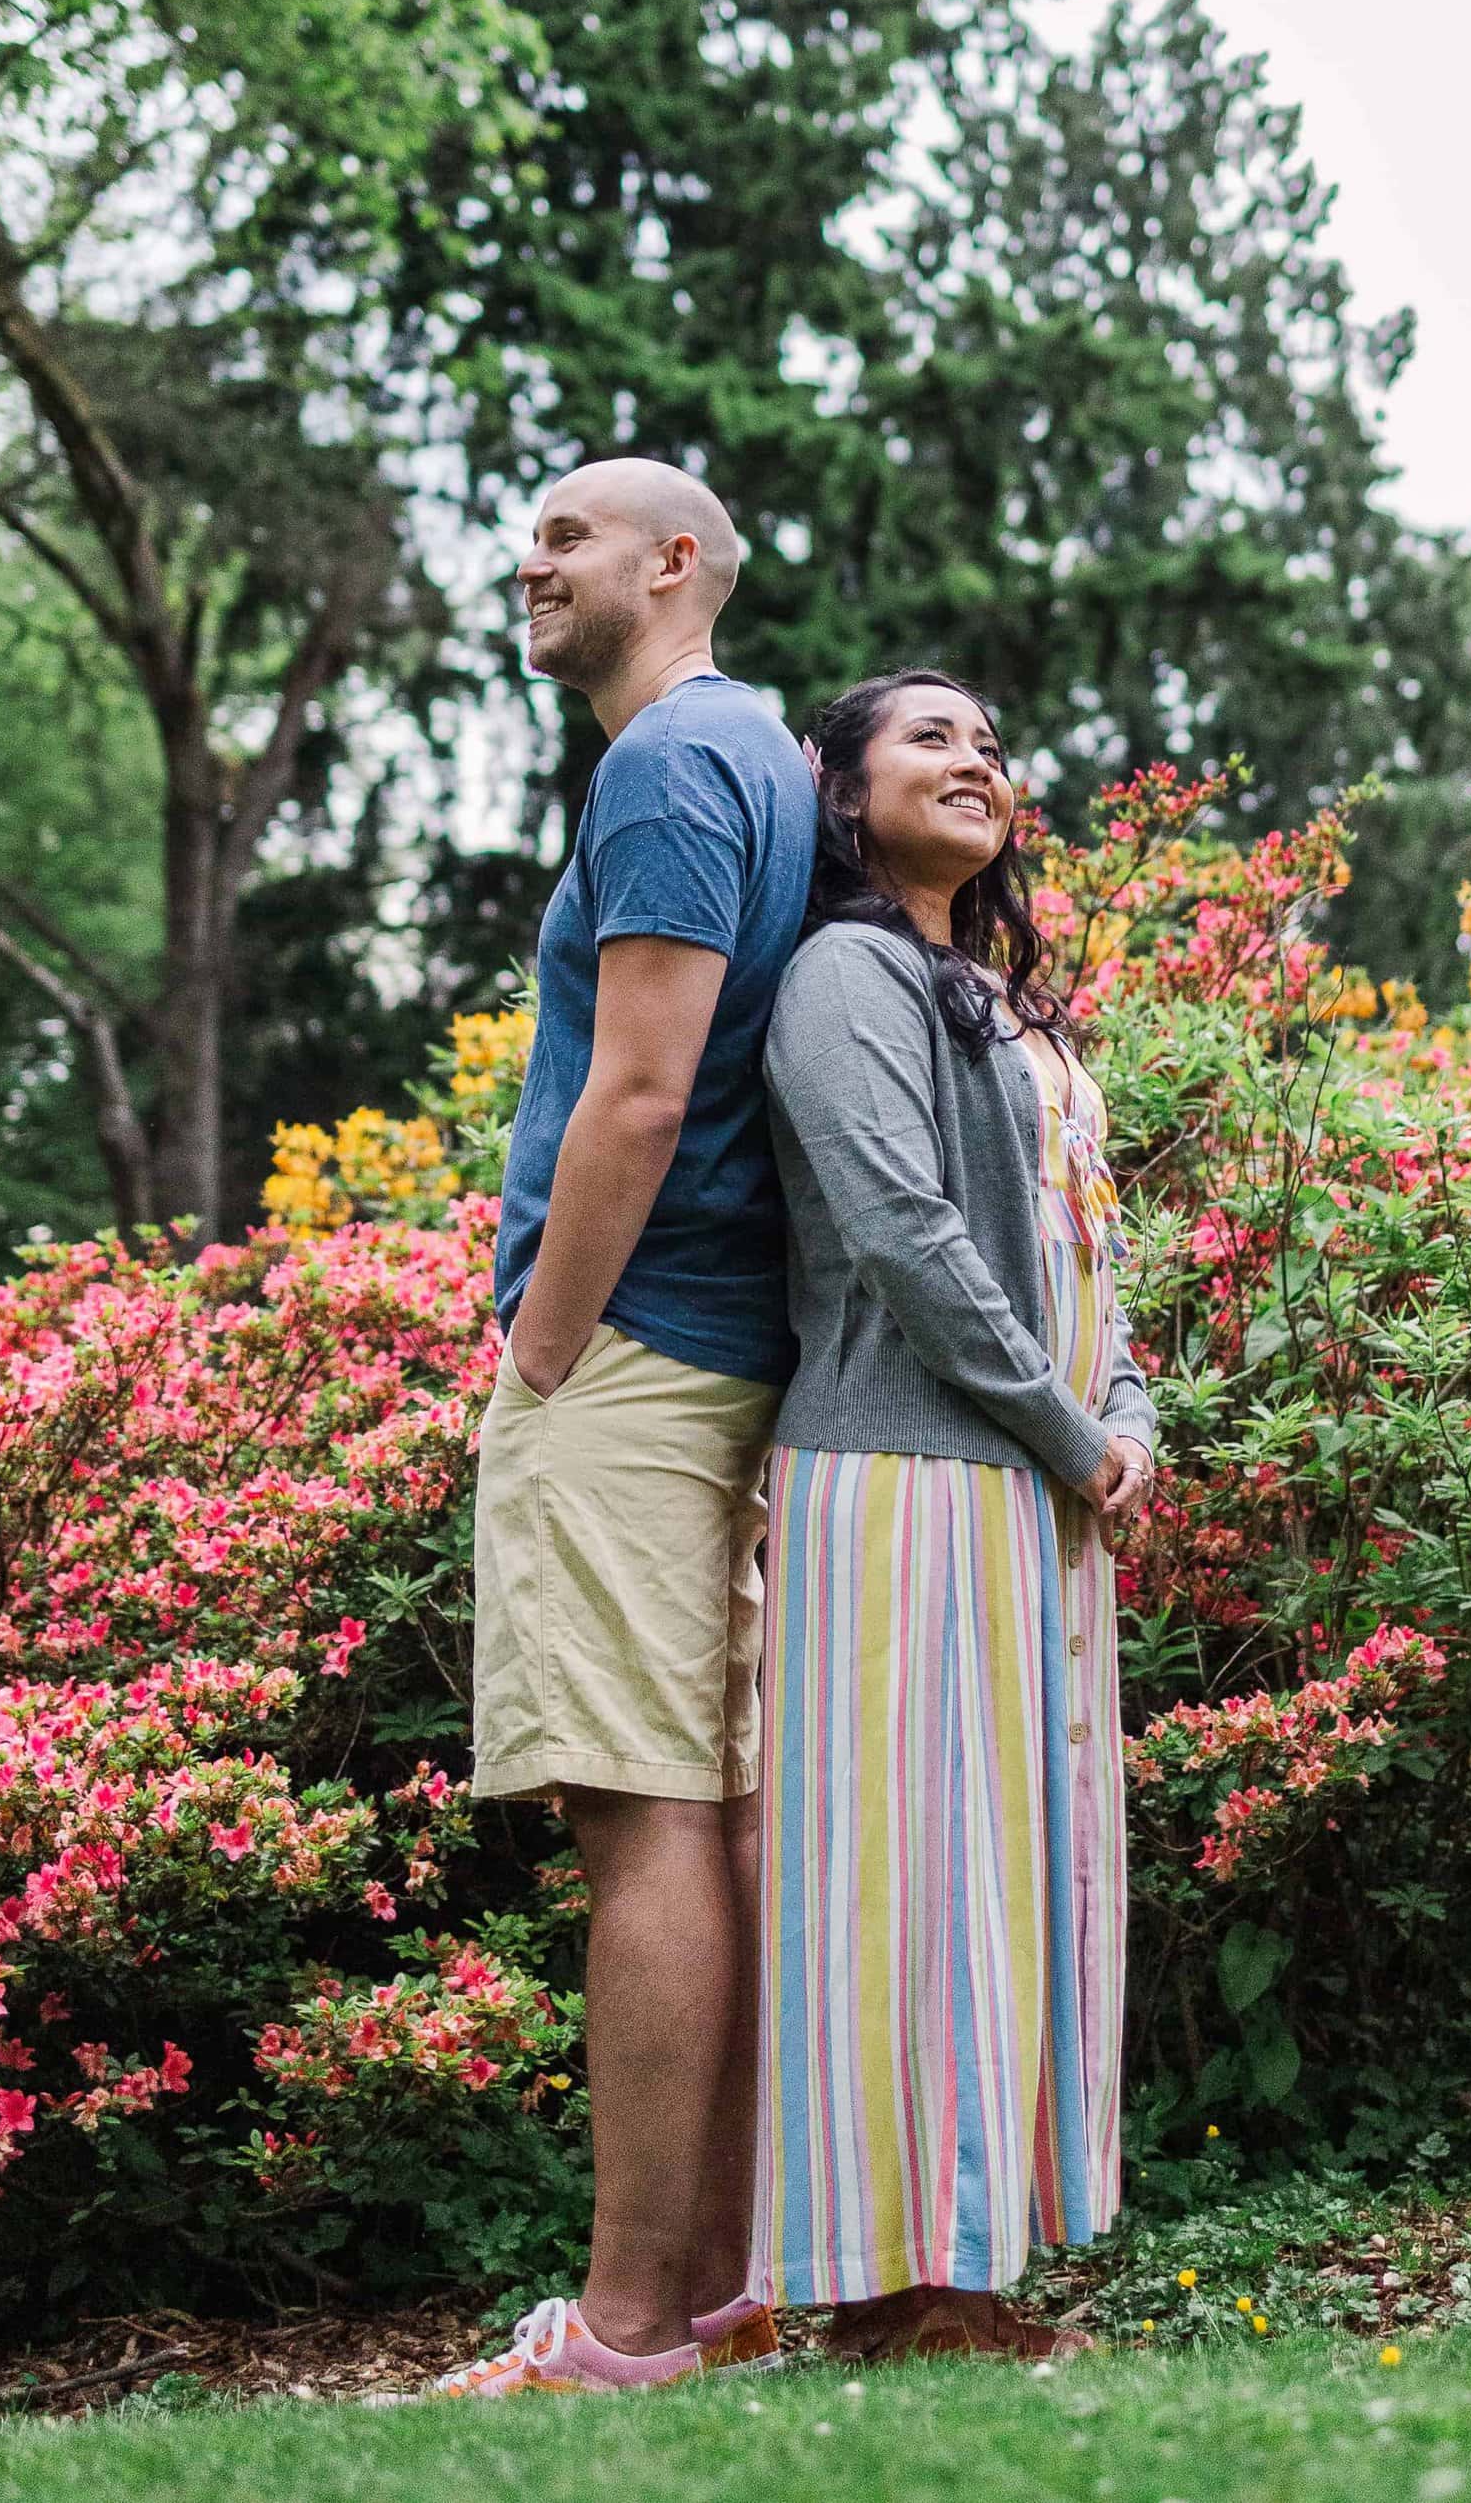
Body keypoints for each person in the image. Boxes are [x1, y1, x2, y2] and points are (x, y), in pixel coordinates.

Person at [437, 460, 816, 2402]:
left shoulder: (669, 764)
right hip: (725, 1346)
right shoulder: (761, 756)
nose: (531, 558)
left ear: (675, 566)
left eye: (568, 533)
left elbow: (640, 1096)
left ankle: (625, 2332)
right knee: (716, 1815)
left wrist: (539, 1347)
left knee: (639, 1814)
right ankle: (728, 2289)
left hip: (636, 1352)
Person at [748, 669, 1157, 2363]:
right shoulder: (845, 974)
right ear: (845, 794)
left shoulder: (1008, 1005)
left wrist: (1124, 1412)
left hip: (1034, 1492)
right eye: (930, 737)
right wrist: (1073, 1430)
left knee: (1021, 1877)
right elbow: (907, 1238)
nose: (976, 758)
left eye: (993, 741)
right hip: (905, 1481)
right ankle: (905, 2285)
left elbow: (1088, 1257)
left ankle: (974, 2264)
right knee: (910, 1881)